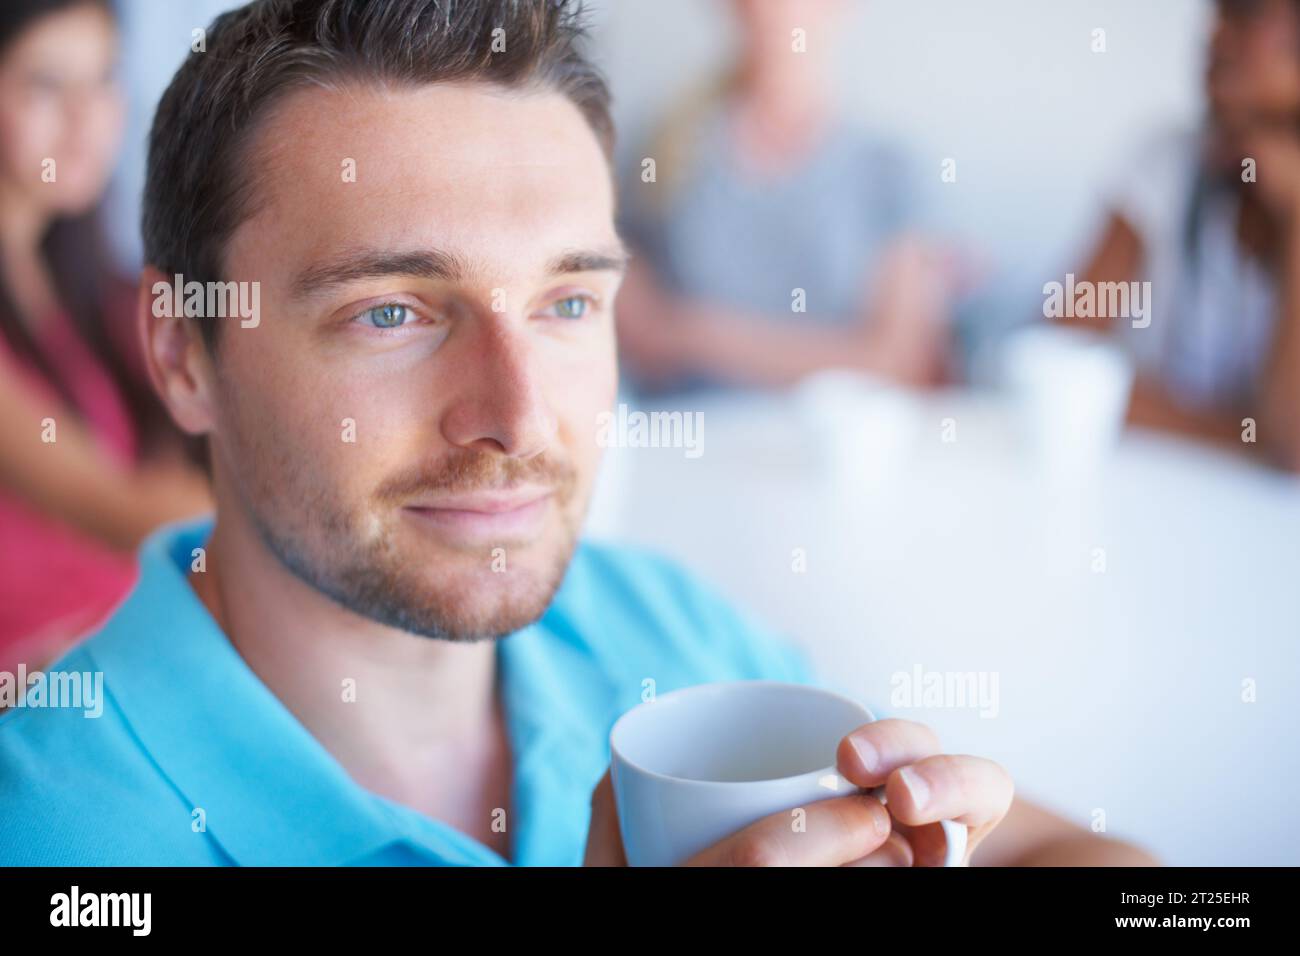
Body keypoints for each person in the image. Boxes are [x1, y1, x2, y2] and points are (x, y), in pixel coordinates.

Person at [0, 0, 1153, 867]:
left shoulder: (661, 623)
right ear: (179, 353)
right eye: (391, 312)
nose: (517, 414)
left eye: (564, 303)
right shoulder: (58, 832)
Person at [0, 0, 211, 674]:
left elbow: (201, 452)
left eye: (103, 81)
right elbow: (114, 507)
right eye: (46, 85)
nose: (87, 120)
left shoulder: (104, 293)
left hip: (122, 661)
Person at [614, 0, 959, 396]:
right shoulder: (660, 152)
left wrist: (692, 330)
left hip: (830, 446)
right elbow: (639, 333)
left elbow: (899, 362)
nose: (780, 11)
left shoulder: (888, 169)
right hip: (692, 441)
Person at [1063, 0, 1300, 471]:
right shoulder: (1164, 167)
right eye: (1216, 13)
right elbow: (1059, 364)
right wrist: (1247, 438)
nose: (1212, 32)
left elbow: (1291, 439)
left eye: (1244, 13)